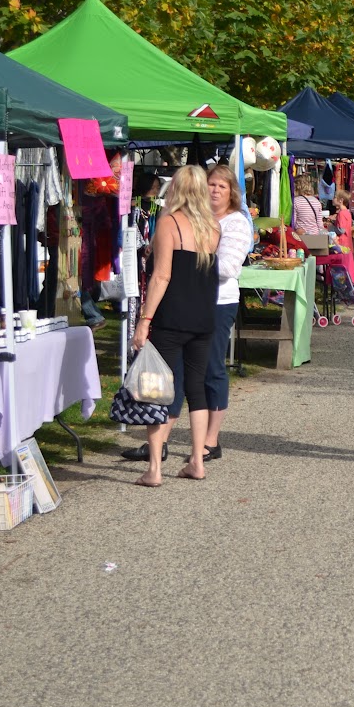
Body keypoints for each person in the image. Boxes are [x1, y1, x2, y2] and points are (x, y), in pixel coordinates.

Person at [130, 166, 220, 488]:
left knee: (158, 390)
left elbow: (162, 276)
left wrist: (144, 320)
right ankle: (197, 459)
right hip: (204, 318)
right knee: (196, 389)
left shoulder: (168, 224)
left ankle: (154, 469)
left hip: (172, 318)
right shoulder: (213, 227)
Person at [200, 164, 254, 462]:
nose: (215, 190)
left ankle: (212, 439)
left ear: (231, 192)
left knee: (212, 367)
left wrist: (188, 262)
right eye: (211, 184)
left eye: (222, 186)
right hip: (190, 301)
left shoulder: (237, 222)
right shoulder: (197, 217)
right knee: (186, 369)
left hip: (219, 301)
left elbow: (227, 267)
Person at [292, 174, 324, 239]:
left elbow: (293, 222)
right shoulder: (317, 202)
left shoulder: (296, 201)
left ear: (297, 187)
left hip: (301, 236)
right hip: (315, 236)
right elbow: (320, 224)